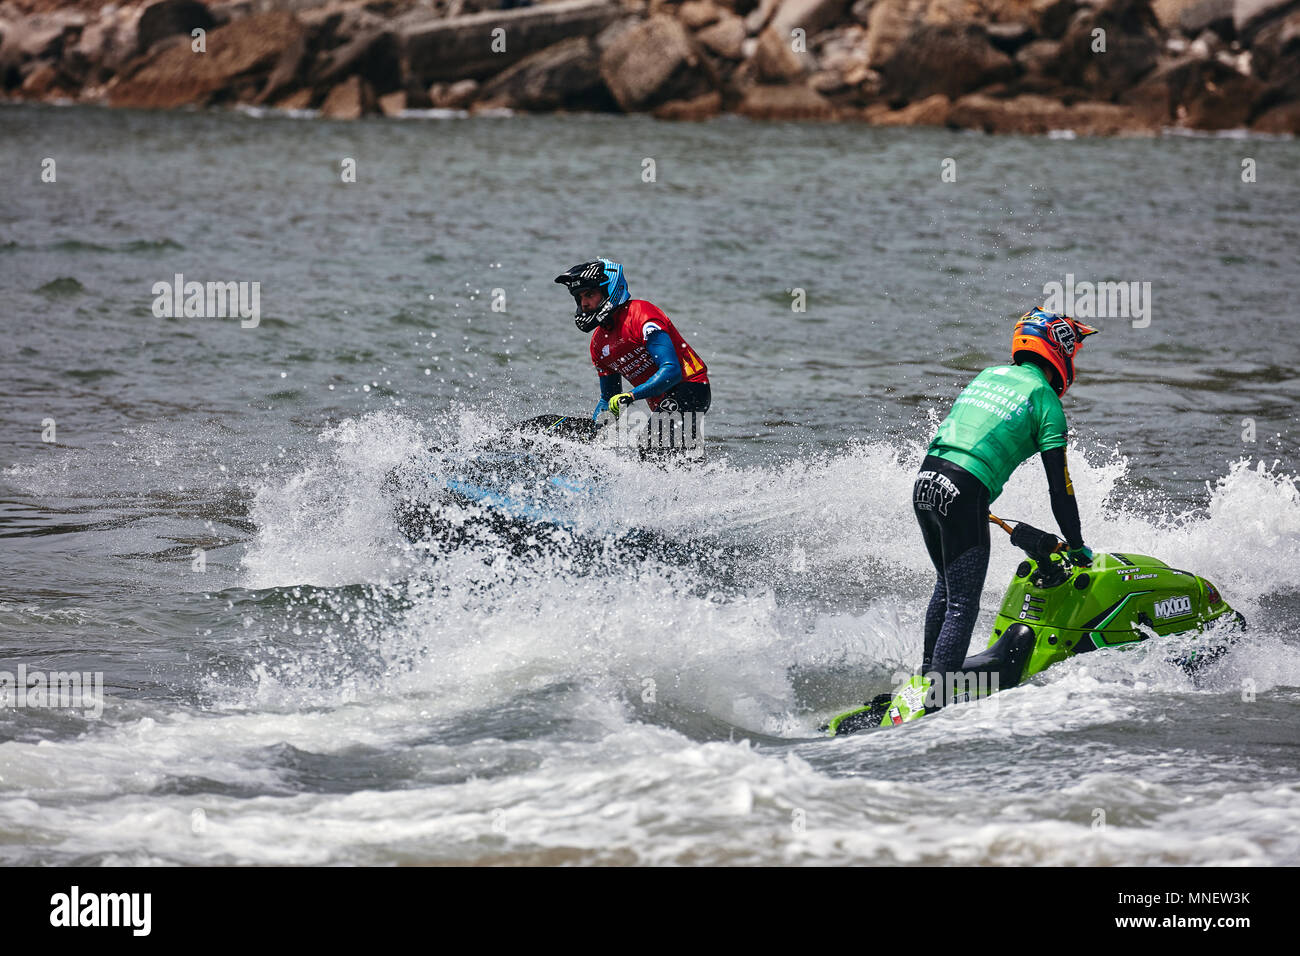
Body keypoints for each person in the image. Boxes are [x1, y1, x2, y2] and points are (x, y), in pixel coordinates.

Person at [914, 308, 1099, 709]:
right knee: (962, 603)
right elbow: (1060, 489)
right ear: (1059, 350)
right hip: (964, 488)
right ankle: (934, 704)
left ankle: (923, 683)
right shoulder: (1044, 399)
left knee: (946, 589)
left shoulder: (988, 375)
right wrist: (1078, 544)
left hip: (926, 481)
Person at [553, 258, 711, 451]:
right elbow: (609, 397)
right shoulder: (598, 344)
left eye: (589, 294)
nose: (584, 303)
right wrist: (594, 434)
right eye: (579, 298)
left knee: (651, 447)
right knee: (675, 460)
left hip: (692, 388)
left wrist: (631, 395)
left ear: (609, 289)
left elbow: (672, 371)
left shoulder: (641, 314)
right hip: (663, 403)